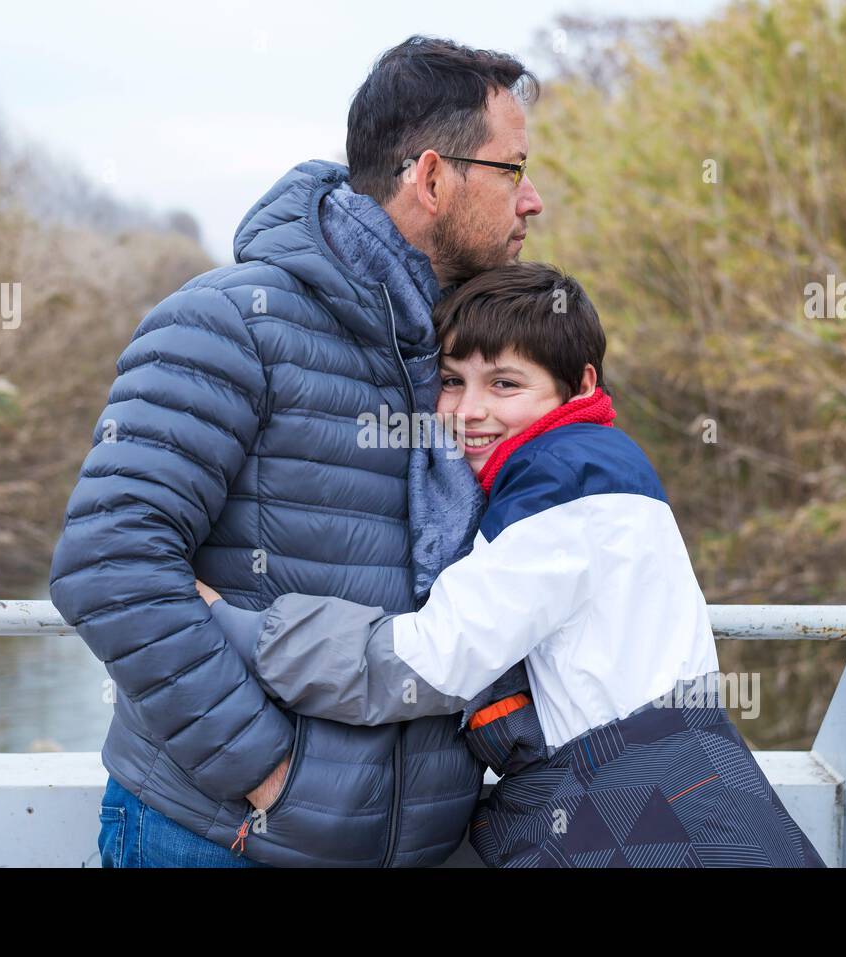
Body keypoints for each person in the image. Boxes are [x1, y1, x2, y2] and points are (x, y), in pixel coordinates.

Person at [47, 34, 544, 867]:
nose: (532, 201)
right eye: (513, 170)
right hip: (222, 838)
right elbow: (108, 561)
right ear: (431, 177)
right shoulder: (228, 323)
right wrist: (271, 772)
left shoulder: (464, 355)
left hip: (418, 845)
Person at [199, 262, 828, 868]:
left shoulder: (565, 477)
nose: (470, 410)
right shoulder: (595, 465)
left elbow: (431, 660)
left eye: (505, 384)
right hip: (681, 794)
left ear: (580, 386)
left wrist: (241, 628)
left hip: (630, 810)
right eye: (452, 380)